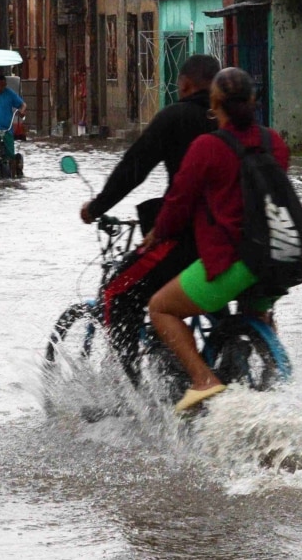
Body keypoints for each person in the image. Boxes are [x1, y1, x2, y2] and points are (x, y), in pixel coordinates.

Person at [144, 67, 289, 412]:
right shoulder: (275, 142)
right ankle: (269, 377)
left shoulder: (208, 147)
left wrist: (156, 233)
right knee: (254, 309)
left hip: (235, 261)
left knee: (160, 308)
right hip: (279, 262)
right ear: (254, 102)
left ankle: (203, 379)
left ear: (214, 105)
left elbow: (178, 203)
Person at [78, 54, 220, 384]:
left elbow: (134, 168)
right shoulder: (235, 125)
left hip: (186, 240)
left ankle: (132, 393)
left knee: (116, 292)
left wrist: (96, 207)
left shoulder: (176, 118)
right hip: (234, 244)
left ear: (184, 84)